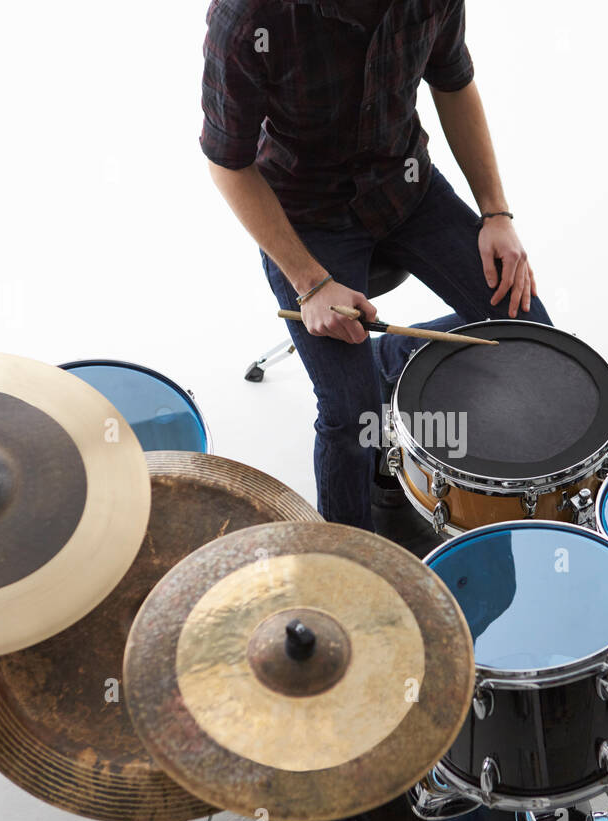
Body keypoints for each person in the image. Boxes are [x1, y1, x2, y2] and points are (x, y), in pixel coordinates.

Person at [201, 0, 552, 544]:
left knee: (531, 338)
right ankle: (348, 562)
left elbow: (453, 82)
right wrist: (310, 282)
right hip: (306, 217)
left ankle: (389, 358)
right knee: (351, 415)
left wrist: (495, 213)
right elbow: (228, 163)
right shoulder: (249, 16)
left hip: (404, 186)